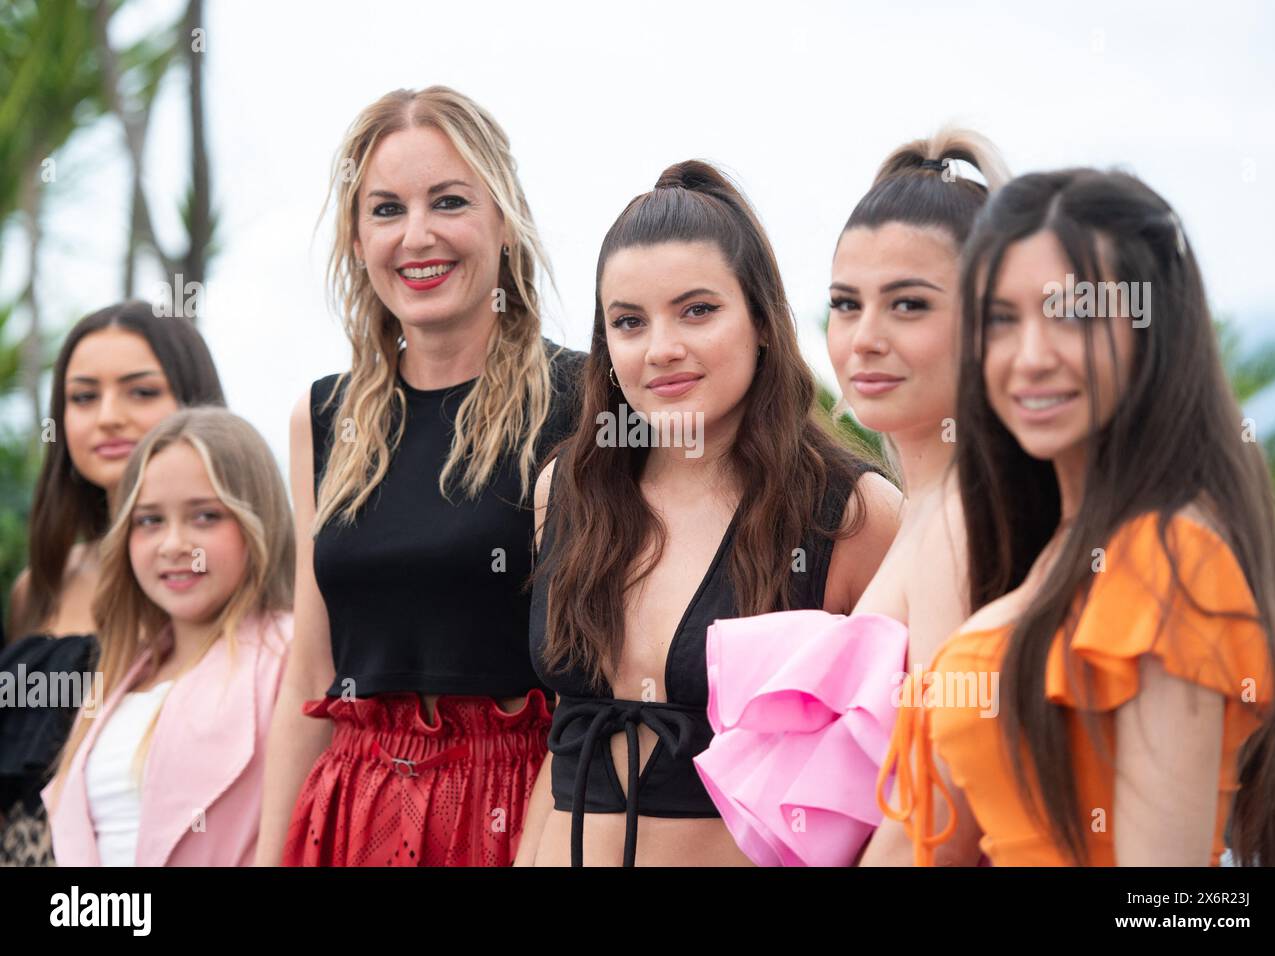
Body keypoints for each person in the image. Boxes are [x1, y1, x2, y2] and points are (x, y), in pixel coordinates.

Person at [880, 168, 1275, 866]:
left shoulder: (1166, 556)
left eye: (1072, 314)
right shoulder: (1055, 544)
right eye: (1002, 320)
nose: (1031, 357)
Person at [519, 160, 901, 867]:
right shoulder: (566, 492)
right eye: (629, 322)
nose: (662, 348)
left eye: (697, 310)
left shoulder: (850, 514)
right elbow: (563, 742)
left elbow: (907, 779)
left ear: (761, 319)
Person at [257, 85, 584, 867]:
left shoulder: (582, 401)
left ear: (503, 220)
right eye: (386, 210)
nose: (418, 235)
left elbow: (592, 676)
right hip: (350, 806)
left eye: (448, 201)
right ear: (357, 237)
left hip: (517, 805)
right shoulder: (322, 416)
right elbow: (311, 667)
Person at [690, 131, 1009, 867]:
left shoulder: (963, 523)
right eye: (845, 303)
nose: (863, 339)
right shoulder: (927, 508)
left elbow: (940, 818)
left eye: (908, 305)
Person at [2, 301, 224, 865]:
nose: (108, 416)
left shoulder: (215, 578)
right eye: (82, 397)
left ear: (193, 406)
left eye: (141, 392)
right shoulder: (40, 584)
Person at [42, 407, 293, 866]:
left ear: (259, 521)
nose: (174, 544)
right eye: (150, 521)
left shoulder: (290, 657)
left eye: (204, 516)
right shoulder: (121, 671)